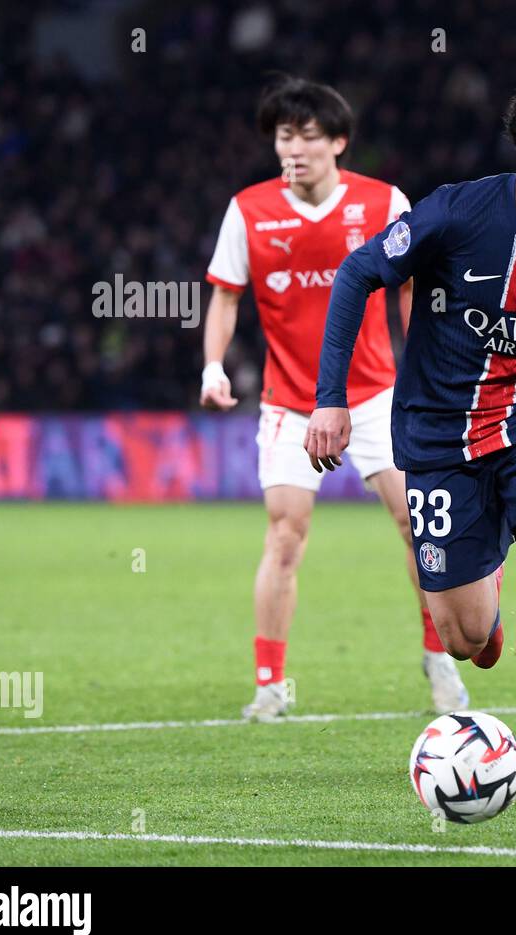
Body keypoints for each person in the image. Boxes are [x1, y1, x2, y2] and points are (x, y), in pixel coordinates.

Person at [306, 74, 516, 808]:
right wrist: (331, 401)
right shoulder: (458, 212)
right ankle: (482, 603)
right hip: (437, 434)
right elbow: (359, 274)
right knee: (463, 640)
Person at [202, 76, 471, 719]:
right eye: (282, 137)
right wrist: (214, 365)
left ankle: (439, 660)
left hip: (377, 396)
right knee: (286, 535)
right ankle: (270, 683)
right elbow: (226, 295)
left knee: (418, 526)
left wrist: (427, 371)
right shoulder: (249, 210)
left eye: (306, 137)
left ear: (339, 143)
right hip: (291, 401)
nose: (292, 149)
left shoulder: (383, 204)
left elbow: (414, 289)